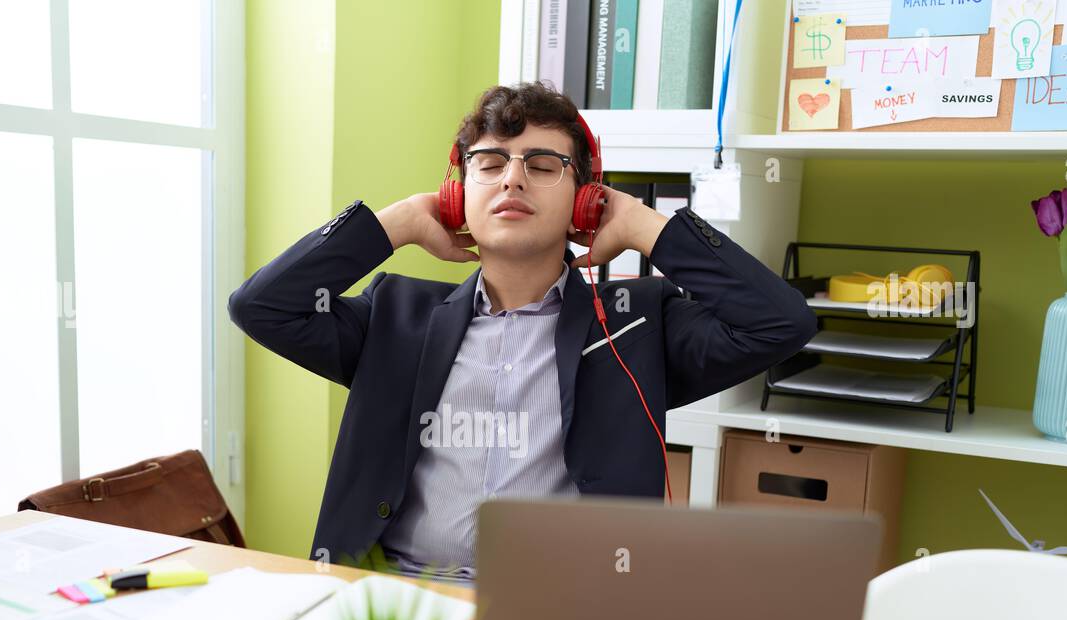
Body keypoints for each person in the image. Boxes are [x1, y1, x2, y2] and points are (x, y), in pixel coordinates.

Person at [228, 82, 818, 579]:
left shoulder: (636, 325)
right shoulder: (395, 316)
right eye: (489, 164)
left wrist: (646, 226)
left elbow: (781, 322)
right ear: (457, 196)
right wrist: (397, 223)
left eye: (542, 166)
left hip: (557, 613)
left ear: (585, 200)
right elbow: (261, 306)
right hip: (399, 601)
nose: (512, 180)